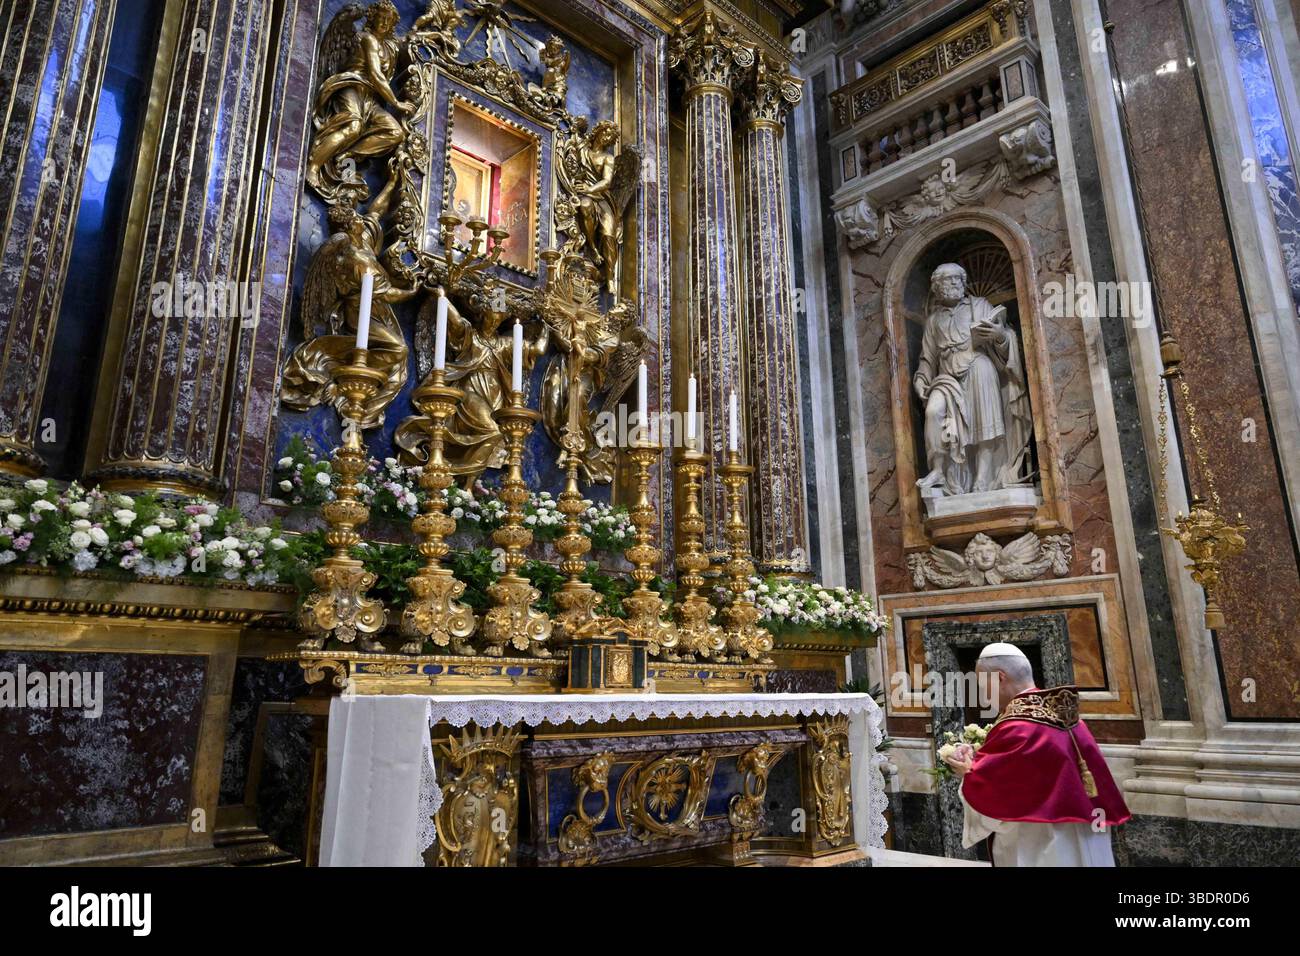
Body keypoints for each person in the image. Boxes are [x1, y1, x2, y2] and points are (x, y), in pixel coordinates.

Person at [943, 643, 1130, 866]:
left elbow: (994, 795)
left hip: (1043, 842)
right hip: (1084, 831)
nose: (982, 693)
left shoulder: (1018, 726)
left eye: (982, 684)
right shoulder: (1063, 715)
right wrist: (978, 755)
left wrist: (968, 772)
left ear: (1000, 678)